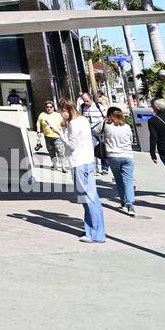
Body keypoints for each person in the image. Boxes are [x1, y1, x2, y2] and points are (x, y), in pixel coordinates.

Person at [57, 98, 105, 243]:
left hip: (78, 162)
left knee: (87, 199)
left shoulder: (72, 123)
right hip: (88, 161)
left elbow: (72, 145)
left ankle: (94, 233)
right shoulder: (83, 120)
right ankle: (97, 231)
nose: (61, 114)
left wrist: (59, 133)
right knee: (93, 198)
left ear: (66, 110)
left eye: (62, 111)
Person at [102, 105, 135, 215]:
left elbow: (98, 132)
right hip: (127, 155)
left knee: (119, 180)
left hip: (113, 155)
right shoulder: (127, 127)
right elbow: (130, 140)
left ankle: (123, 201)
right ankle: (131, 205)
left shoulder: (107, 126)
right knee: (128, 181)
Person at [36, 99, 67, 172]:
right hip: (47, 136)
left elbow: (63, 124)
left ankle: (63, 166)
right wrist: (38, 131)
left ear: (53, 107)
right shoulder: (42, 114)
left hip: (57, 136)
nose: (49, 108)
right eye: (47, 107)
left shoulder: (58, 115)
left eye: (50, 107)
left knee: (60, 151)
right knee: (51, 151)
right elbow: (38, 123)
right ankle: (55, 165)